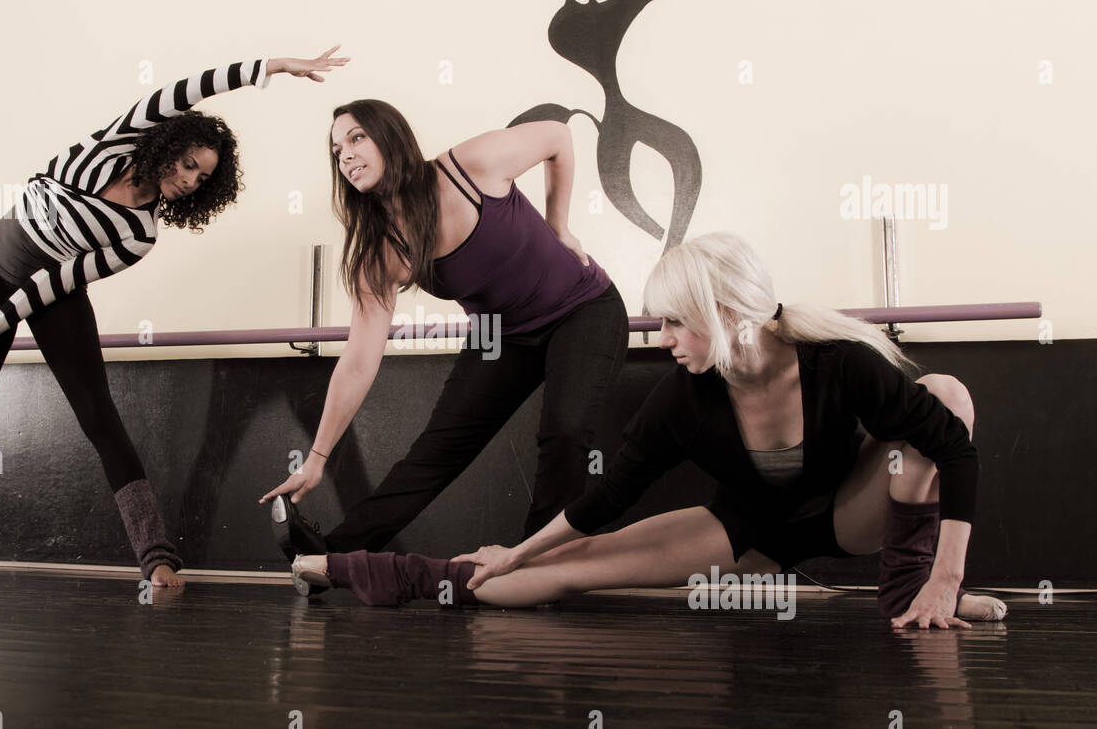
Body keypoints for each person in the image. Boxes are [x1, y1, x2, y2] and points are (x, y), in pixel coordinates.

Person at [290, 231, 1008, 629]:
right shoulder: (681, 399)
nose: (660, 336)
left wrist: (949, 576)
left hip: (849, 515)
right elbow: (606, 499)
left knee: (946, 395)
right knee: (528, 582)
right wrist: (518, 551)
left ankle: (915, 592)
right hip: (746, 533)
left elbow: (952, 448)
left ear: (727, 316)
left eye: (672, 321)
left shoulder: (839, 365)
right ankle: (348, 569)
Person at [0, 48, 348, 587]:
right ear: (167, 144)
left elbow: (49, 285)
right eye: (189, 163)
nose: (192, 180)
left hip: (48, 291)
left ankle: (157, 559)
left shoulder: (139, 235)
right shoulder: (119, 138)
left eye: (203, 178)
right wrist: (271, 67)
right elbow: (194, 85)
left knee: (99, 417)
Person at [260, 99, 629, 575]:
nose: (346, 156)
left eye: (356, 138)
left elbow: (559, 137)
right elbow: (358, 361)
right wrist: (315, 460)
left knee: (565, 432)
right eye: (336, 151)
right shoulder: (382, 251)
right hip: (503, 338)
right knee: (435, 452)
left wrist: (560, 227)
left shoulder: (468, 167)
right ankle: (326, 559)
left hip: (584, 310)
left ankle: (539, 568)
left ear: (390, 136)